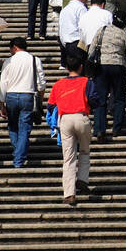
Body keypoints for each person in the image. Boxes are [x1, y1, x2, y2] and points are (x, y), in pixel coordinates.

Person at [47, 52, 91, 204]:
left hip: (65, 119)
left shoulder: (58, 84)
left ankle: (69, 194)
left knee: (69, 157)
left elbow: (50, 104)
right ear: (81, 67)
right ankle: (83, 179)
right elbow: (94, 99)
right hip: (81, 116)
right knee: (84, 150)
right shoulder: (87, 81)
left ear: (66, 67)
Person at [89, 11, 126, 141]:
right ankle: (116, 128)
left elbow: (92, 49)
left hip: (101, 66)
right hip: (118, 67)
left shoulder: (101, 30)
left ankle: (99, 129)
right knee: (119, 98)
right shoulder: (124, 35)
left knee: (101, 99)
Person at [0, 36, 45, 167]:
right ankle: (19, 157)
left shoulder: (8, 61)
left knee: (13, 126)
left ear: (14, 47)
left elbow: (3, 84)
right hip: (28, 95)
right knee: (25, 129)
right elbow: (41, 84)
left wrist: (2, 103)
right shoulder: (35, 60)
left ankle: (18, 152)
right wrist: (39, 99)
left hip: (11, 96)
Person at [57, 0, 89, 64]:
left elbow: (61, 29)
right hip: (78, 43)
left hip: (67, 44)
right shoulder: (81, 8)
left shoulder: (65, 9)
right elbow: (85, 27)